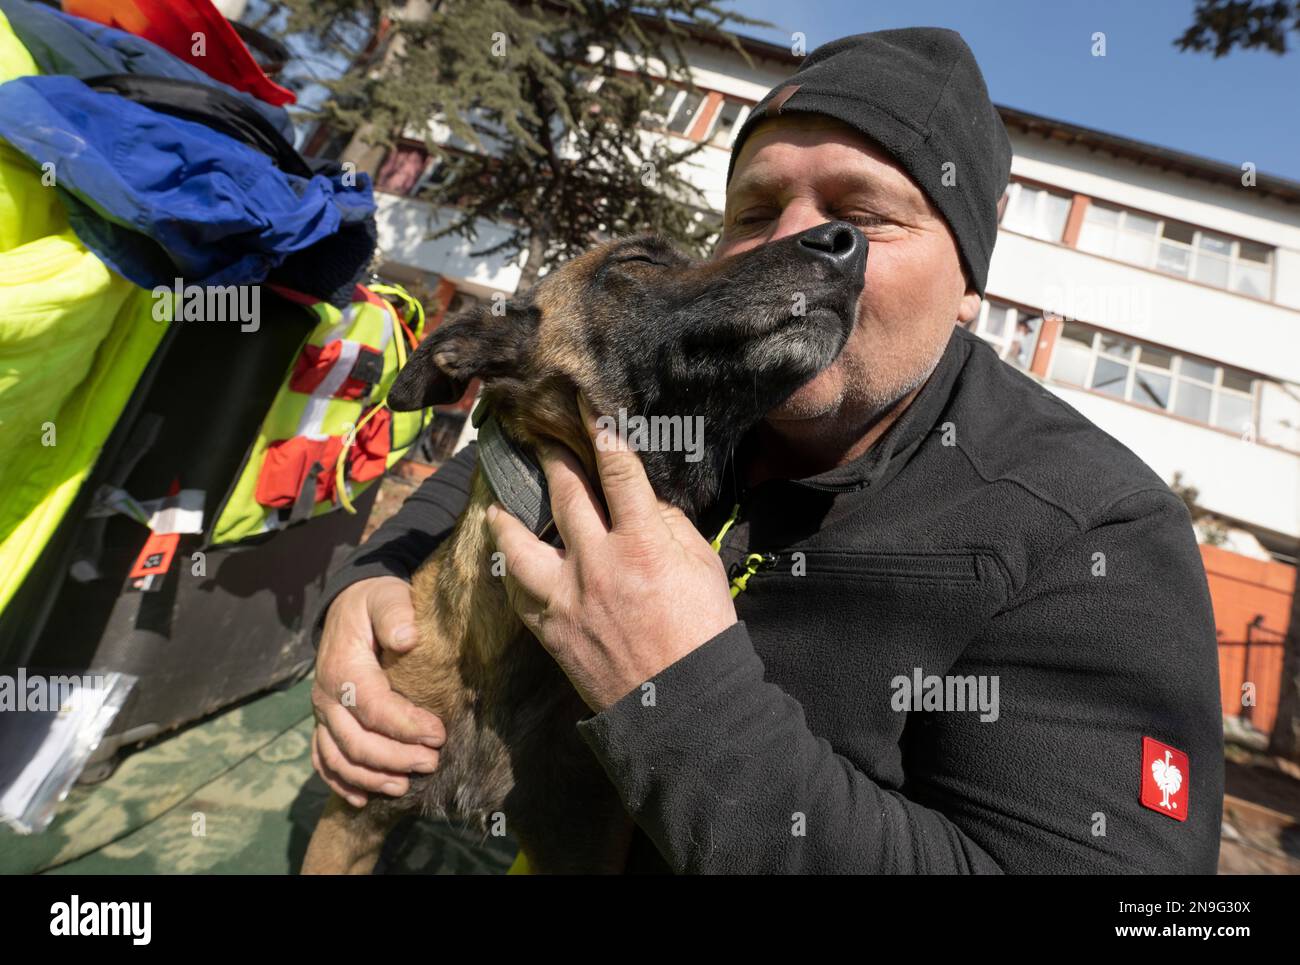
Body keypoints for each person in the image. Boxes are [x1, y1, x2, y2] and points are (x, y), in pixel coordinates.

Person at [309, 28, 1224, 873]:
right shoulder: (702, 391)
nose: (794, 243)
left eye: (862, 215)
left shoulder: (1099, 537)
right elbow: (523, 437)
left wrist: (684, 698)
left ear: (969, 287)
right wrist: (374, 578)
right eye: (755, 210)